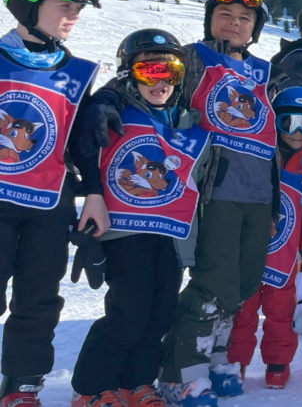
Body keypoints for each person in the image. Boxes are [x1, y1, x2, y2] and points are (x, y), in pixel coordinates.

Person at [80, 0, 278, 406]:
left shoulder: (265, 72)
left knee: (241, 286)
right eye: (225, 14)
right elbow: (139, 75)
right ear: (210, 18)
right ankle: (178, 372)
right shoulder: (190, 57)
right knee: (213, 283)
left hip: (259, 195)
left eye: (245, 18)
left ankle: (212, 358)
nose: (234, 23)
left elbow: (276, 133)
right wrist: (104, 102)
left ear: (255, 28)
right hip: (209, 192)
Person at [68, 30, 210, 407]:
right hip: (125, 231)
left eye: (170, 71)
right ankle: (94, 387)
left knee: (160, 314)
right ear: (129, 73)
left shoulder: (187, 120)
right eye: (148, 71)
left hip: (172, 233)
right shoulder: (113, 112)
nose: (160, 81)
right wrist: (106, 97)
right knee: (128, 313)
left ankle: (137, 382)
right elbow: (86, 147)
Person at [0, 0, 102, 407]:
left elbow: (83, 147)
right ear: (25, 3)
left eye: (77, 9)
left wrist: (95, 195)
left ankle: (23, 383)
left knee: (39, 299)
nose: (74, 16)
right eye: (66, 6)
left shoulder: (76, 73)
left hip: (47, 206)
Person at [228, 86, 302, 390]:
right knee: (243, 311)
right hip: (249, 251)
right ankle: (236, 362)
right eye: (289, 123)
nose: (297, 133)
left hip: (284, 258)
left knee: (281, 312)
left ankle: (277, 363)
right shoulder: (261, 157)